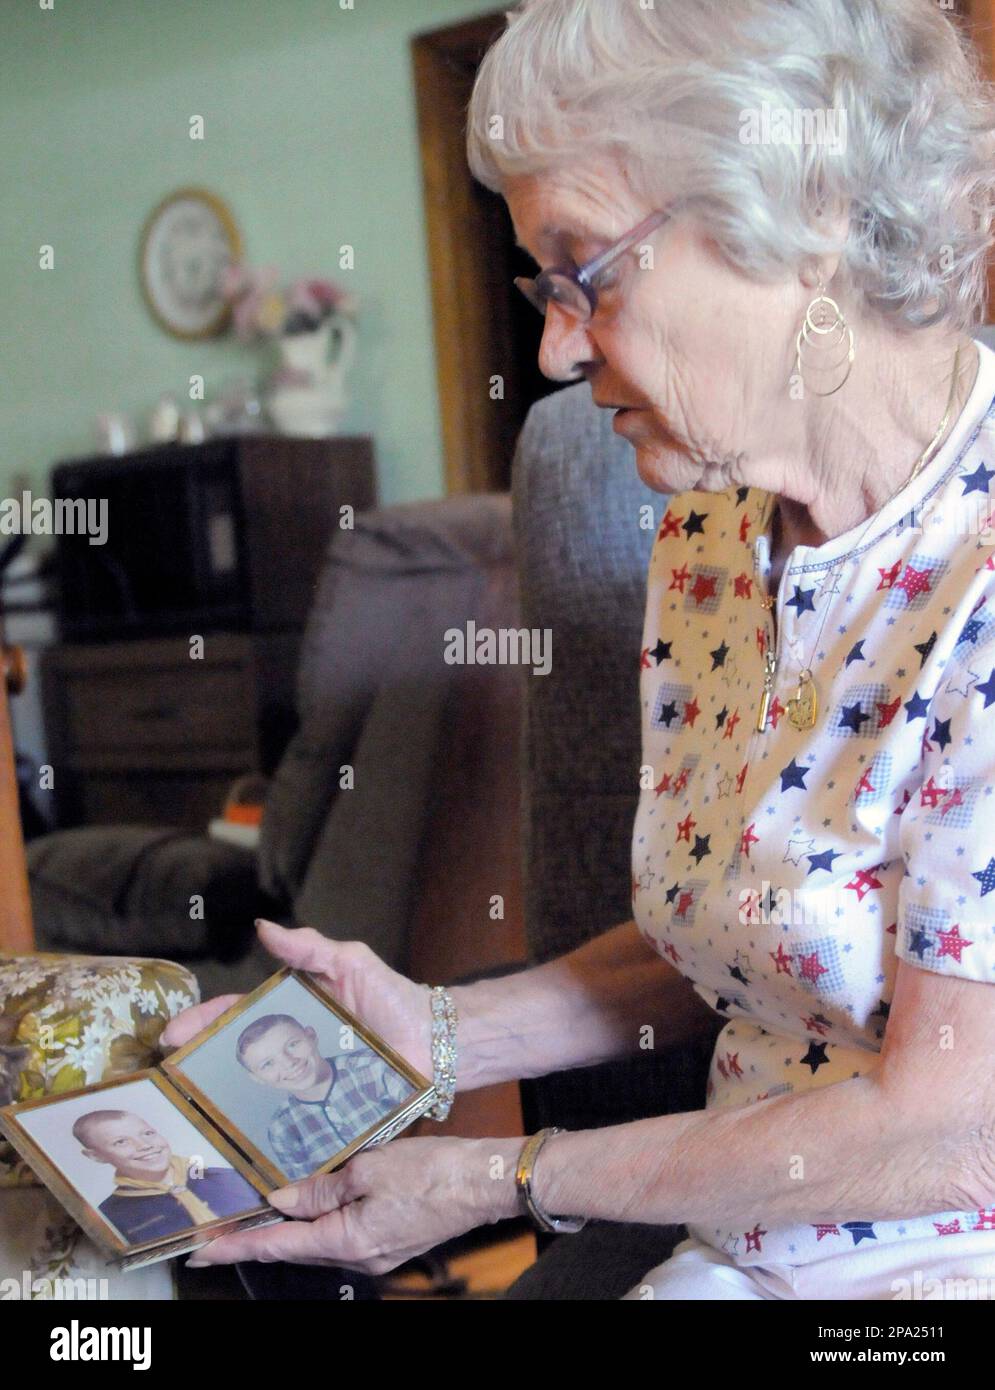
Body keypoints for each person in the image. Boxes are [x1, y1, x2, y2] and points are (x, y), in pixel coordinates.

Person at [163, 0, 995, 1299]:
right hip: (749, 1238)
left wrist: (500, 1176)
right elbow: (740, 947)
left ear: (809, 217)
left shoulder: (978, 584)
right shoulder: (711, 533)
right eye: (539, 285)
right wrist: (434, 1035)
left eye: (585, 269)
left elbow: (944, 1137)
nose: (554, 346)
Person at [235, 1013, 414, 1180]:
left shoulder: (373, 1067)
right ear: (257, 1078)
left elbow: (427, 1120)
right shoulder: (282, 1130)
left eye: (292, 1045)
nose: (289, 1063)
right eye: (268, 1064)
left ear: (311, 1036)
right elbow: (311, 1191)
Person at [74, 1109, 262, 1245]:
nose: (144, 1145)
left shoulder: (224, 1177)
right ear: (96, 1156)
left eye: (148, 1133)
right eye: (121, 1142)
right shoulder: (111, 1218)